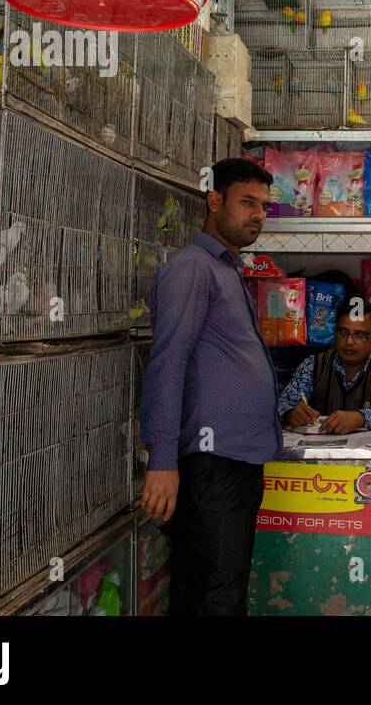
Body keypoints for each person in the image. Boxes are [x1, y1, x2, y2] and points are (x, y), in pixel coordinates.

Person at [139, 157, 281, 616]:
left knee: (213, 587)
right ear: (214, 201)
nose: (257, 214)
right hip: (211, 462)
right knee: (217, 593)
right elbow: (168, 362)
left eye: (262, 205)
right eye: (246, 202)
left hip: (234, 460)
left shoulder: (226, 269)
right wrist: (162, 460)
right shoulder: (193, 268)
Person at [277, 299, 371, 567]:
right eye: (343, 332)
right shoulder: (312, 365)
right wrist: (291, 413)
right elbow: (283, 404)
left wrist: (359, 417)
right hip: (317, 475)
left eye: (360, 335)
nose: (349, 342)